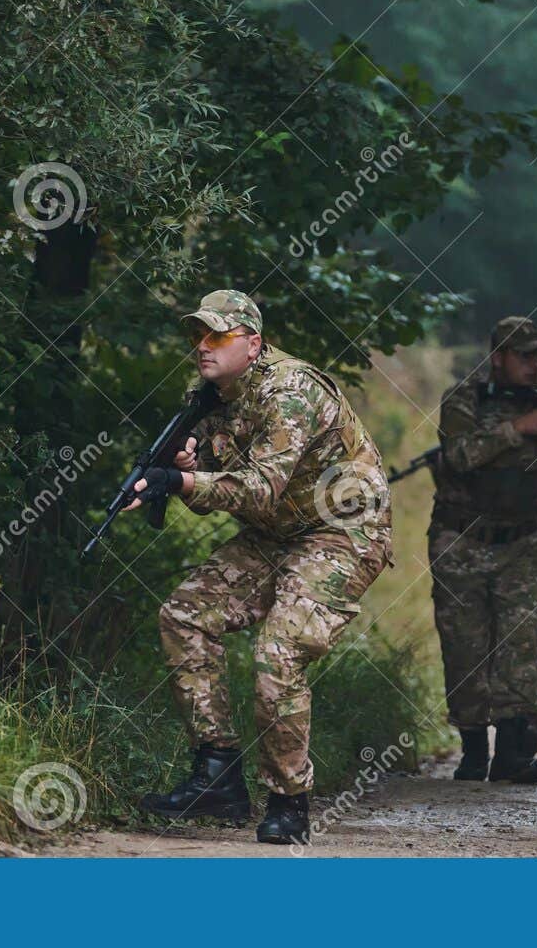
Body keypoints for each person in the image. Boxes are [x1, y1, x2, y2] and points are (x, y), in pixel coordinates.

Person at [128, 289, 393, 845]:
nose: (203, 346)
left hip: (343, 530)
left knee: (280, 646)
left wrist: (181, 481)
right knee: (184, 615)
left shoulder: (288, 391)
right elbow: (218, 495)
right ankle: (218, 775)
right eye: (198, 335)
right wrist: (183, 470)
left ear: (252, 344)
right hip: (275, 533)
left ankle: (289, 800)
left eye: (218, 336)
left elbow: (260, 489)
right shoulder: (206, 396)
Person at [428, 315, 537, 783]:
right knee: (464, 647)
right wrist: (518, 429)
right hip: (461, 541)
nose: (533, 364)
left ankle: (513, 752)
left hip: (522, 544)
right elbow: (458, 456)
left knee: (520, 647)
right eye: (524, 355)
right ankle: (473, 750)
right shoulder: (465, 399)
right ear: (498, 357)